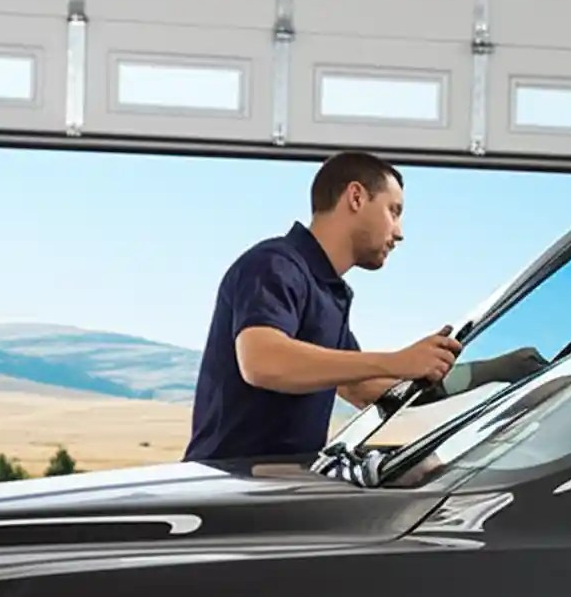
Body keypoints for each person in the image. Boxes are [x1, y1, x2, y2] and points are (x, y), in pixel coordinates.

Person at [183, 151, 542, 463]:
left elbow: (366, 388)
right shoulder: (275, 264)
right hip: (227, 487)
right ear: (356, 197)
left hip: (277, 486)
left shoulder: (331, 293)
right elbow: (263, 363)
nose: (399, 232)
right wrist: (397, 359)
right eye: (393, 210)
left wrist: (496, 369)